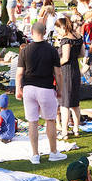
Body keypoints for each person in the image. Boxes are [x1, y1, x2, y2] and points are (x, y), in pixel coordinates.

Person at [16, 21, 67, 165]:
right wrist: (60, 90)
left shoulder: (25, 50)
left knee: (32, 122)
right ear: (44, 32)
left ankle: (35, 155)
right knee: (50, 120)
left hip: (29, 89)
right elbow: (58, 73)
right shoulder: (51, 50)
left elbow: (19, 73)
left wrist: (17, 89)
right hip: (45, 88)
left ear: (32, 32)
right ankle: (53, 152)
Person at [55, 17, 84, 139]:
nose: (57, 33)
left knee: (65, 104)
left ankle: (65, 131)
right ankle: (76, 129)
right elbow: (82, 54)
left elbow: (65, 58)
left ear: (62, 27)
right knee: (75, 103)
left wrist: (55, 63)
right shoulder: (78, 36)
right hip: (76, 70)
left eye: (58, 30)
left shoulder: (66, 40)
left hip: (66, 72)